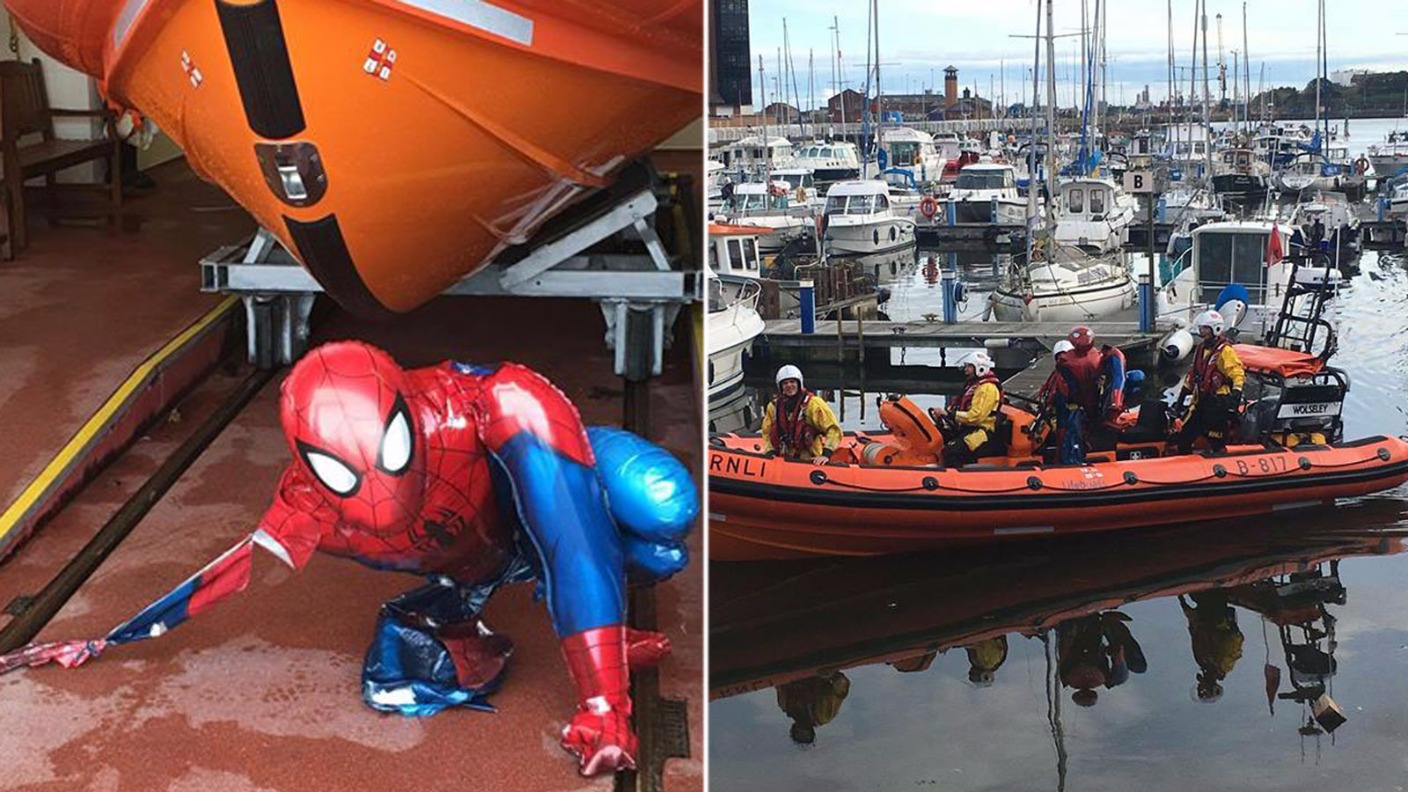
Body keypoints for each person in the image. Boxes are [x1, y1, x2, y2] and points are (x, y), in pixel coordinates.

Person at [1, 341, 698, 777]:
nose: (375, 494)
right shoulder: (304, 507)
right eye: (341, 475)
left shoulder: (499, 402)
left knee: (661, 522)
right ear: (309, 463)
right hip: (475, 559)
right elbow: (224, 575)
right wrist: (100, 642)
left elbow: (571, 530)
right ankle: (590, 630)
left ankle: (598, 636)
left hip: (545, 486)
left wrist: (603, 699)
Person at [1172, 310, 1246, 454]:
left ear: (1215, 329)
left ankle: (1220, 462)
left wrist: (1236, 394)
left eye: (1205, 328)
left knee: (1216, 441)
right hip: (1200, 401)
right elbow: (1192, 377)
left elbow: (1237, 373)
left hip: (1217, 403)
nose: (1202, 332)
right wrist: (1180, 400)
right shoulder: (1200, 349)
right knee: (1183, 437)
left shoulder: (1225, 351)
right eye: (1201, 329)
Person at [928, 350, 1004, 467]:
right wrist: (944, 414)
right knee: (934, 435)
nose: (966, 369)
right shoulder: (973, 385)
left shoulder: (987, 388)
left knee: (951, 452)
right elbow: (957, 406)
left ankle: (954, 480)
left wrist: (950, 414)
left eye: (969, 366)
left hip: (981, 431)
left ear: (979, 367)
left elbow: (976, 417)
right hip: (966, 427)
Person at [761, 365, 842, 465]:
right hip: (784, 456)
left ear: (799, 383)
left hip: (810, 457)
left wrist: (826, 455)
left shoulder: (813, 404)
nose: (789, 385)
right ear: (780, 386)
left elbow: (833, 429)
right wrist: (770, 451)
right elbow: (767, 432)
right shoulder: (774, 407)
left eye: (792, 382)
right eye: (785, 383)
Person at [1036, 339, 1088, 464]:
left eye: (1064, 356)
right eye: (1059, 356)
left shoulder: (1075, 373)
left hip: (1072, 414)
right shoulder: (1056, 375)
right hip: (1059, 415)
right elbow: (1046, 392)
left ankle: (1073, 462)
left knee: (1070, 439)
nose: (1062, 359)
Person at [776, 671, 851, 745]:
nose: (801, 731)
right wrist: (834, 676)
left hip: (791, 669)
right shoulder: (823, 716)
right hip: (818, 669)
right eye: (805, 734)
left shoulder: (785, 705)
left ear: (793, 729)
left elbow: (778, 682)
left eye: (799, 733)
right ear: (811, 731)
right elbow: (840, 692)